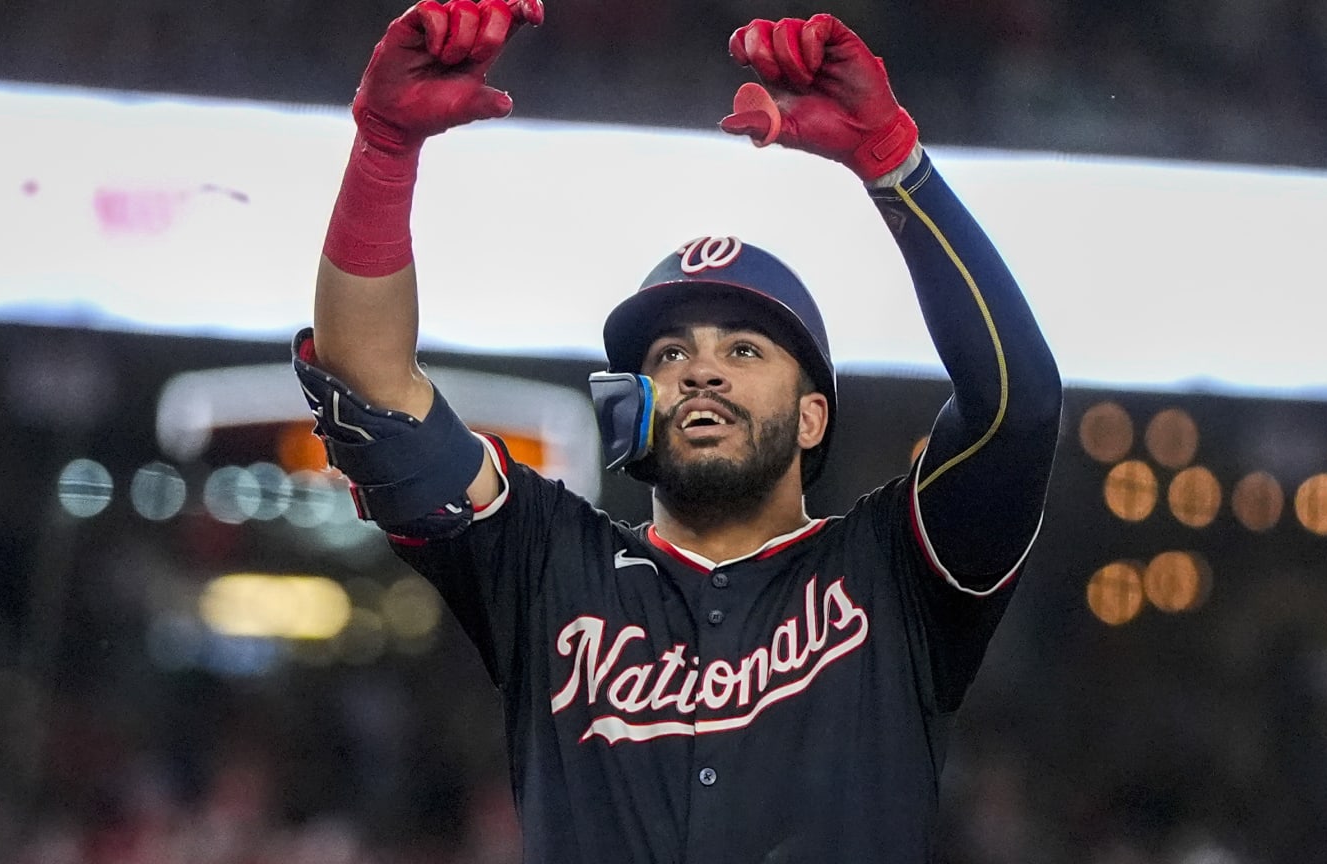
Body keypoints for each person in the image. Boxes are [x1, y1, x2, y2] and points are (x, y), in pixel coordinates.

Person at [291, 2, 1062, 861]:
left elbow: (1018, 406)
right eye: (670, 352)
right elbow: (369, 385)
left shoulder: (894, 571)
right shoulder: (547, 561)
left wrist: (894, 165)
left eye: (743, 348)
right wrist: (385, 150)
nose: (701, 370)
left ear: (814, 416)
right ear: (636, 400)